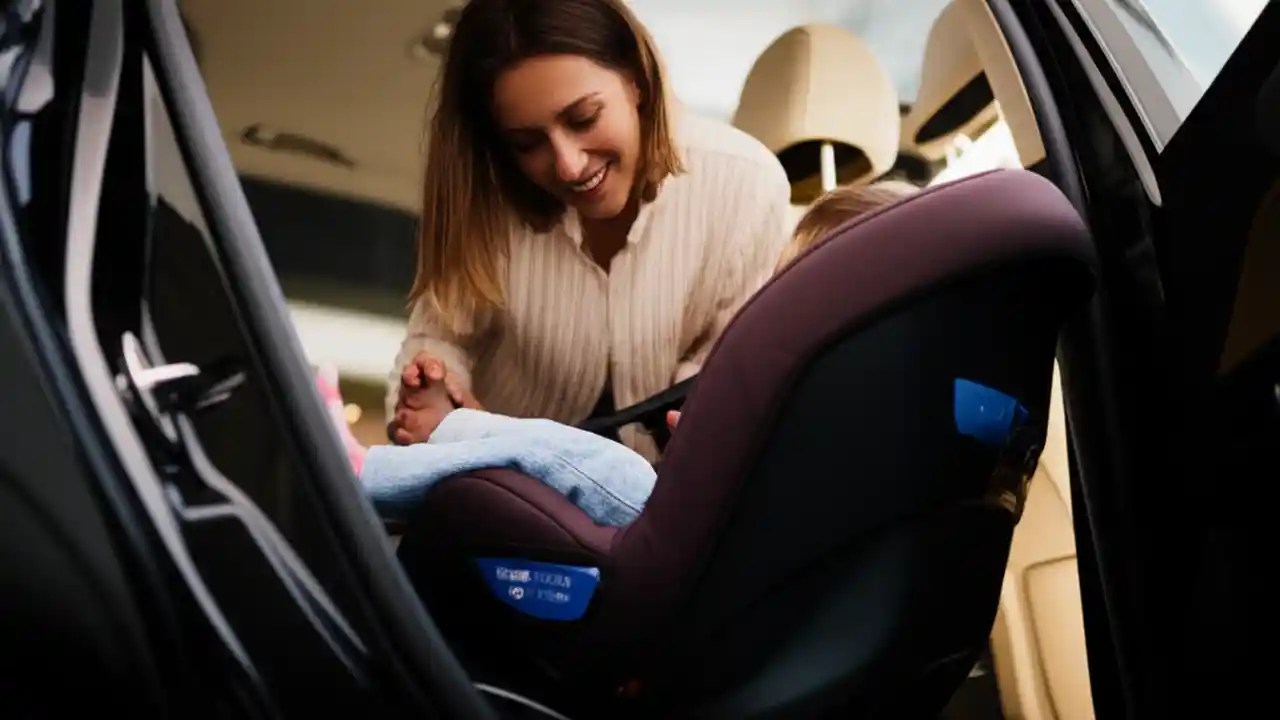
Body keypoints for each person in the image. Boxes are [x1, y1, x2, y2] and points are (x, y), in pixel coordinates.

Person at [327, 181, 920, 527]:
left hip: (694, 539)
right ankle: (433, 447)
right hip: (714, 538)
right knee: (540, 458)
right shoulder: (891, 417)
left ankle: (365, 474)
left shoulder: (859, 408)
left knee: (565, 456)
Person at [384, 0, 796, 463]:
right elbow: (438, 339)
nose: (567, 165)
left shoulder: (747, 186)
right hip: (497, 495)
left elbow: (727, 372)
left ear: (637, 80)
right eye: (527, 143)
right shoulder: (489, 198)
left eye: (583, 119)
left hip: (669, 505)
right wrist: (438, 394)